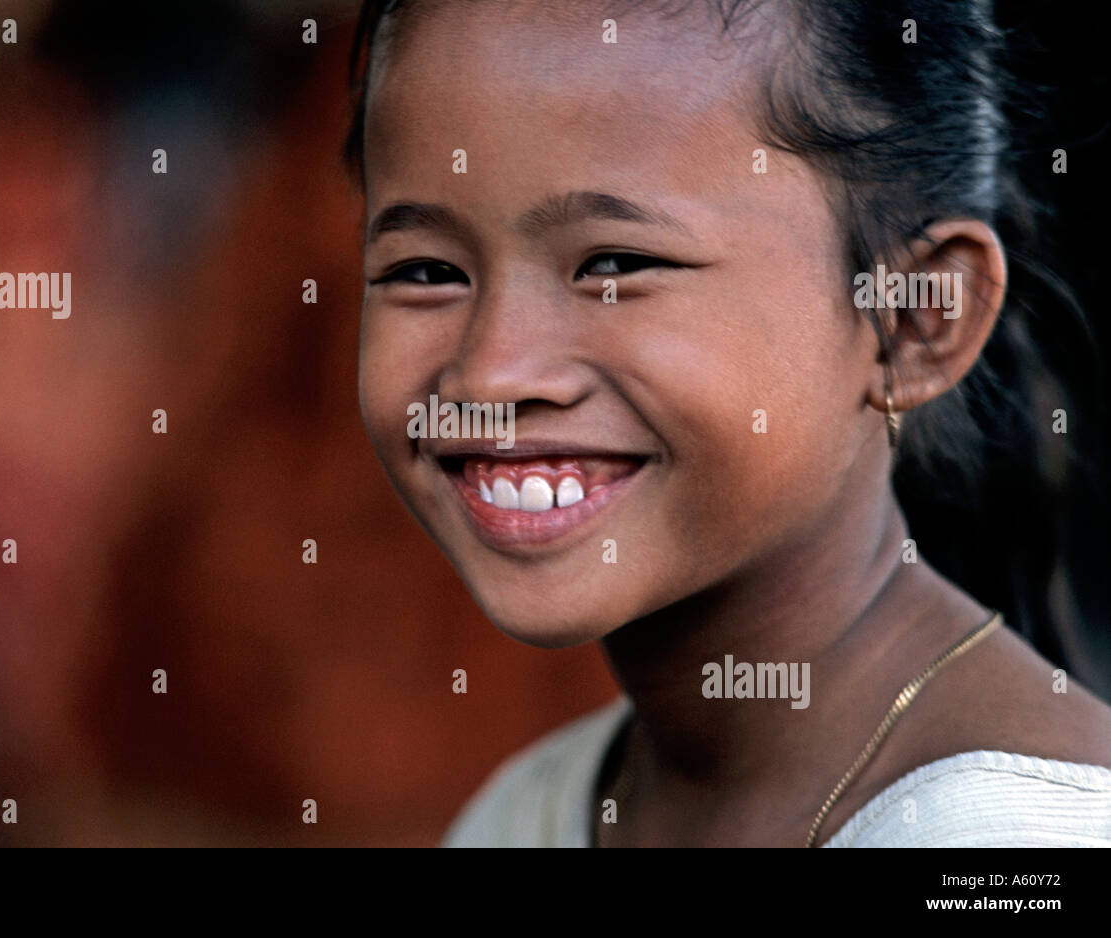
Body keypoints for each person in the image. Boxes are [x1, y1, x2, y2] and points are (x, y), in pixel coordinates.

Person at [342, 0, 1111, 846]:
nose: (491, 372)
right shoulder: (530, 813)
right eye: (425, 270)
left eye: (616, 264)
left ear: (912, 321)